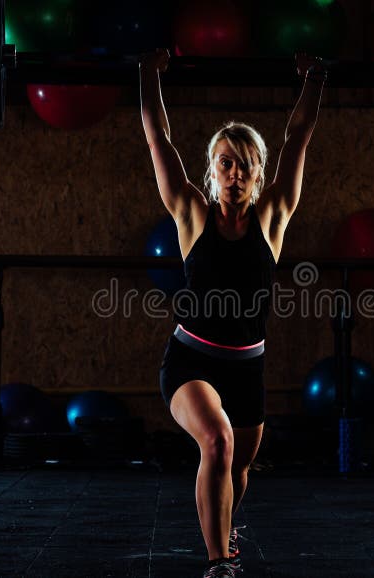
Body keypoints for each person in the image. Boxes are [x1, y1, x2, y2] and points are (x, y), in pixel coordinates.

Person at [139, 48, 325, 578]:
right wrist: (147, 77)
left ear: (259, 173)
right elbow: (159, 140)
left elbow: (299, 138)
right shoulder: (191, 213)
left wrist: (315, 79)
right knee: (216, 442)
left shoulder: (273, 217)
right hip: (190, 363)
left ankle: (221, 526)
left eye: (245, 163)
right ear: (213, 170)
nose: (235, 171)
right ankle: (220, 563)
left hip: (248, 369)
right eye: (226, 161)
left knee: (238, 471)